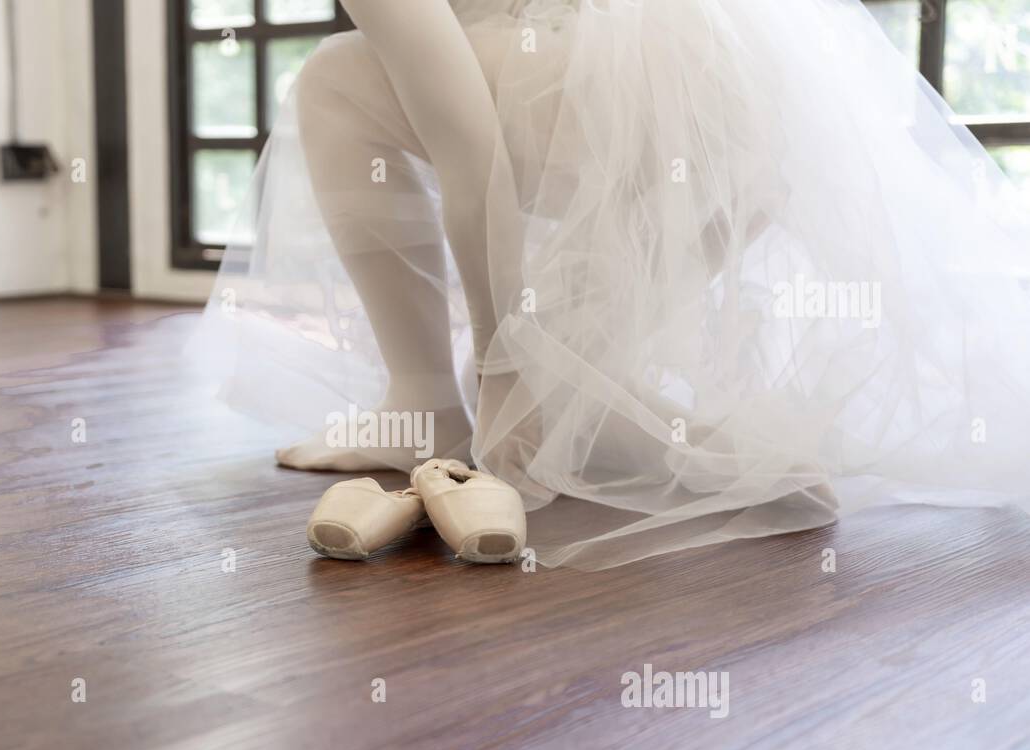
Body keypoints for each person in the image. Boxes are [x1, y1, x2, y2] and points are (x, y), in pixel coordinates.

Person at [191, 0, 1030, 570]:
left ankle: (448, 404)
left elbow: (468, 143)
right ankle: (587, 410)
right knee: (567, 393)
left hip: (651, 105)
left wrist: (502, 359)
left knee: (334, 79)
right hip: (755, 123)